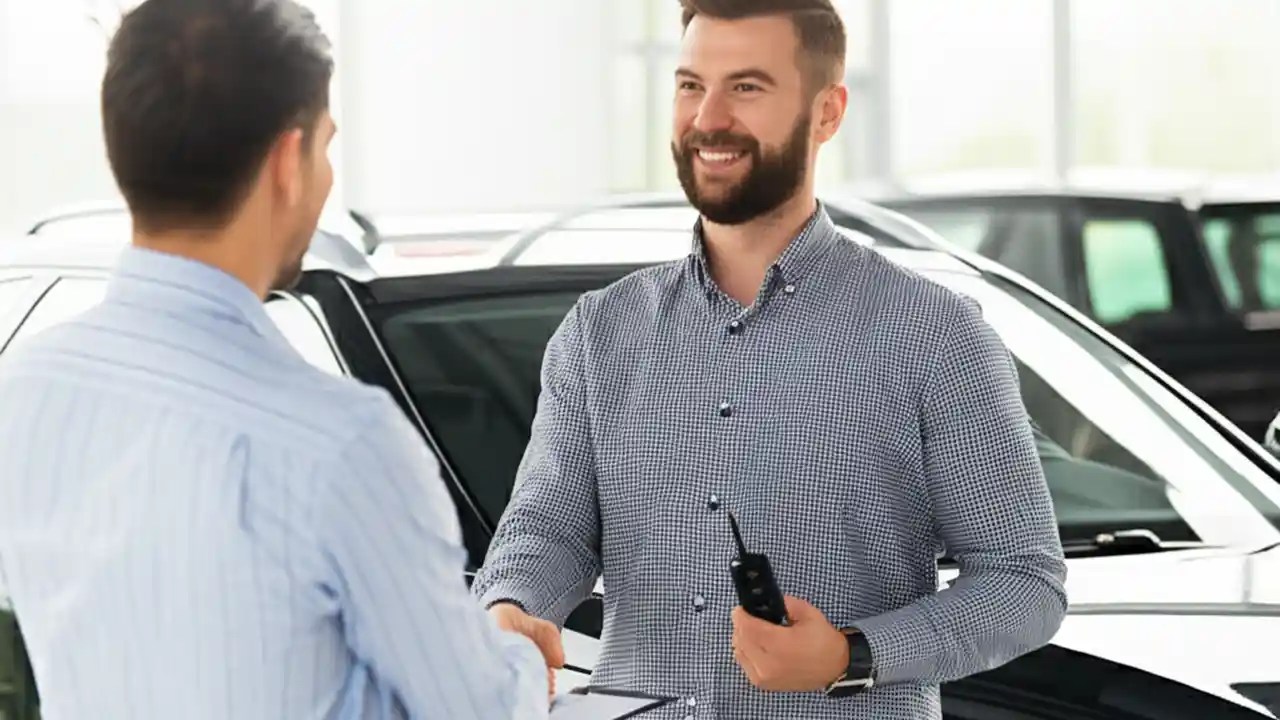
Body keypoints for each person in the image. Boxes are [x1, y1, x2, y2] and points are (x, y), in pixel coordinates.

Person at [472, 0, 1068, 717]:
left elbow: (1024, 582)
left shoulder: (933, 334)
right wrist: (509, 604)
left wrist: (852, 655)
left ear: (827, 112)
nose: (708, 117)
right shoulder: (600, 331)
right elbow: (550, 530)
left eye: (746, 88)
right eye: (691, 85)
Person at [0, 1, 552, 718]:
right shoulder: (340, 442)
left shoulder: (23, 391)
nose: (325, 178)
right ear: (288, 161)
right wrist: (513, 655)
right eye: (325, 146)